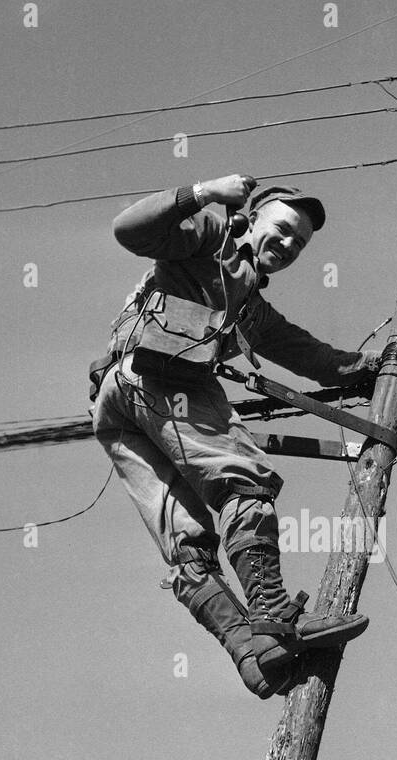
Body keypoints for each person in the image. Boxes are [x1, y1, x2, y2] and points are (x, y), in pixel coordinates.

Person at [90, 172, 380, 700]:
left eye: (299, 243)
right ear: (253, 218)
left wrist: (376, 365)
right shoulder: (208, 236)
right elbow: (127, 229)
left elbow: (308, 354)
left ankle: (250, 650)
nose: (289, 246)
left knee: (187, 548)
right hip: (163, 383)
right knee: (243, 483)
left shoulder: (249, 307)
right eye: (284, 229)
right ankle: (270, 615)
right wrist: (202, 193)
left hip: (116, 406)